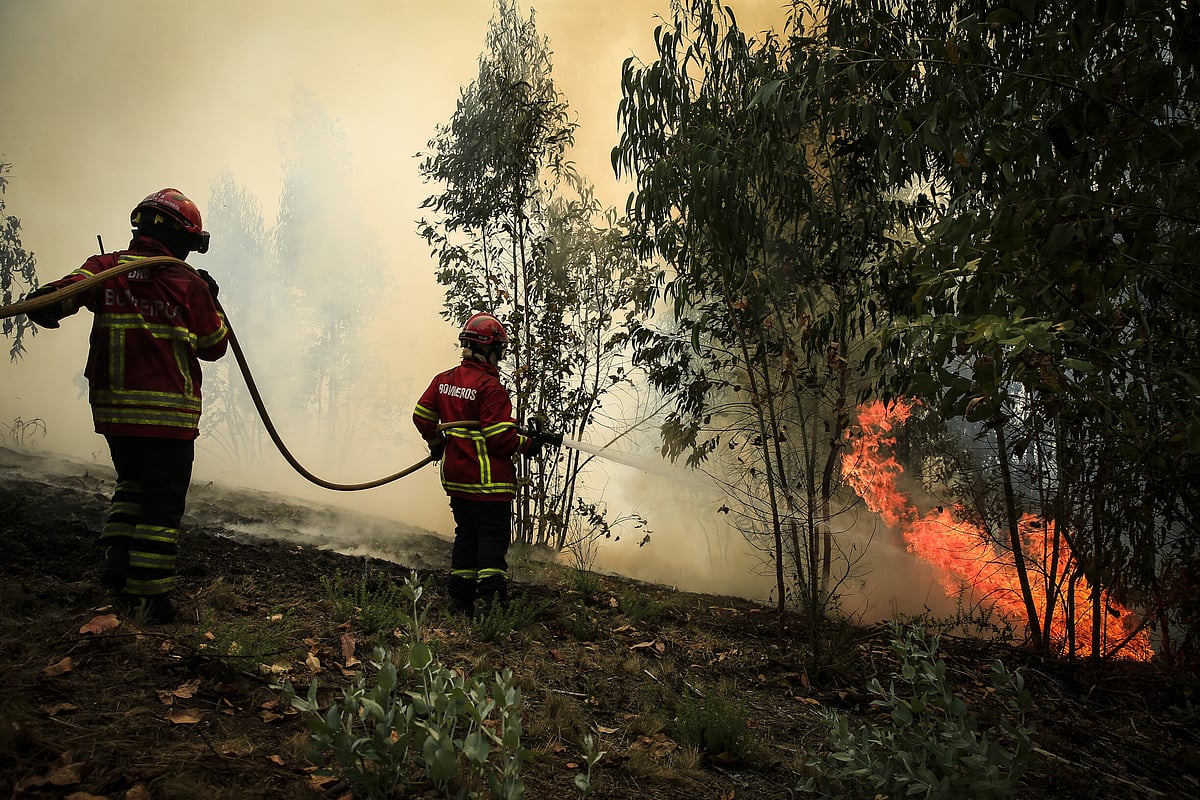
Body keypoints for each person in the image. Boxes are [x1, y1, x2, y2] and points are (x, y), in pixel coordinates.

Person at [24, 188, 228, 623]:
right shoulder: (188, 283)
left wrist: (45, 302)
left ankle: (117, 568)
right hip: (168, 416)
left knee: (133, 483)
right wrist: (212, 297)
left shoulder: (106, 268)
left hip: (114, 411)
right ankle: (149, 600)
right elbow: (214, 346)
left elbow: (60, 296)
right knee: (162, 504)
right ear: (184, 238)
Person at [412, 312, 552, 617]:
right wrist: (529, 444)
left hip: (457, 479)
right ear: (488, 349)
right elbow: (500, 437)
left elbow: (422, 416)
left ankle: (459, 600)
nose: (499, 357)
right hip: (488, 482)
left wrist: (437, 442)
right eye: (499, 350)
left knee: (466, 534)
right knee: (492, 538)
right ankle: (490, 604)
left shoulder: (444, 380)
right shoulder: (490, 388)